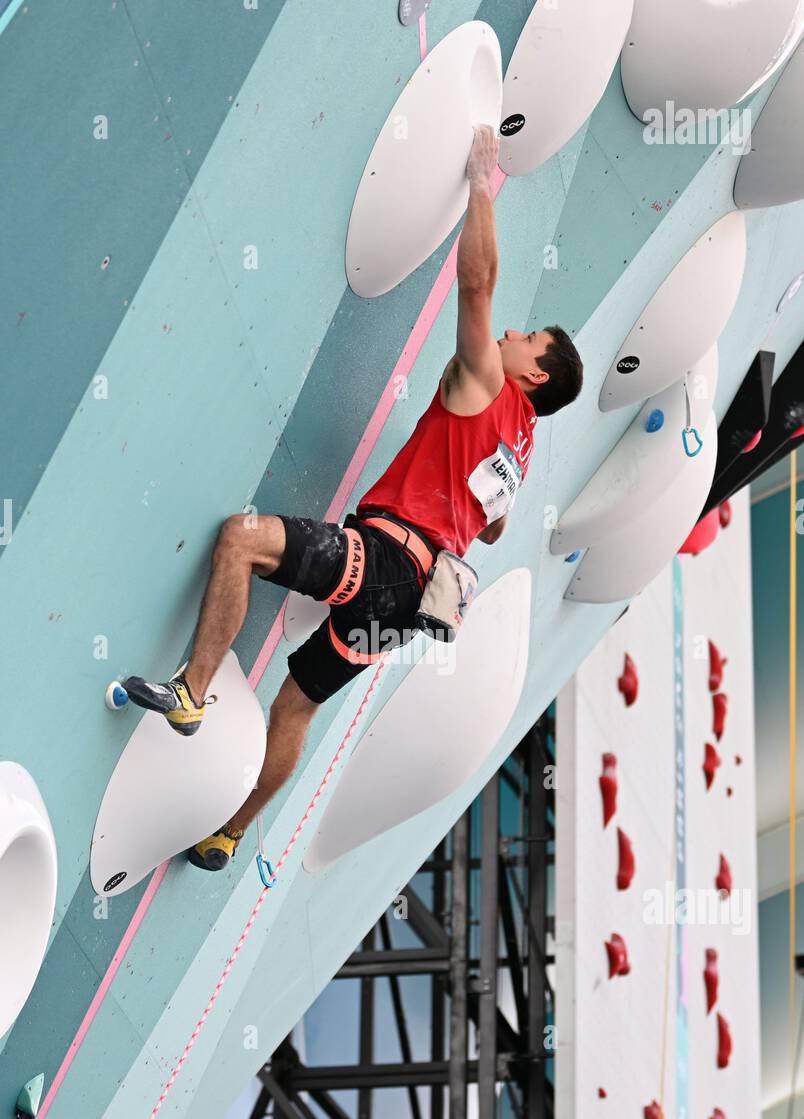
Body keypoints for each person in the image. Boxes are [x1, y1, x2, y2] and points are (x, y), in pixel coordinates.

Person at [123, 126, 584, 871]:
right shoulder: (518, 453)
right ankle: (229, 833)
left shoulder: (490, 390)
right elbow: (492, 531)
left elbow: (477, 284)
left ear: (534, 376)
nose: (508, 332)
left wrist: (479, 181)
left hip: (384, 563)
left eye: (525, 339)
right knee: (296, 706)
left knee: (243, 540)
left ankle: (192, 691)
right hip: (409, 605)